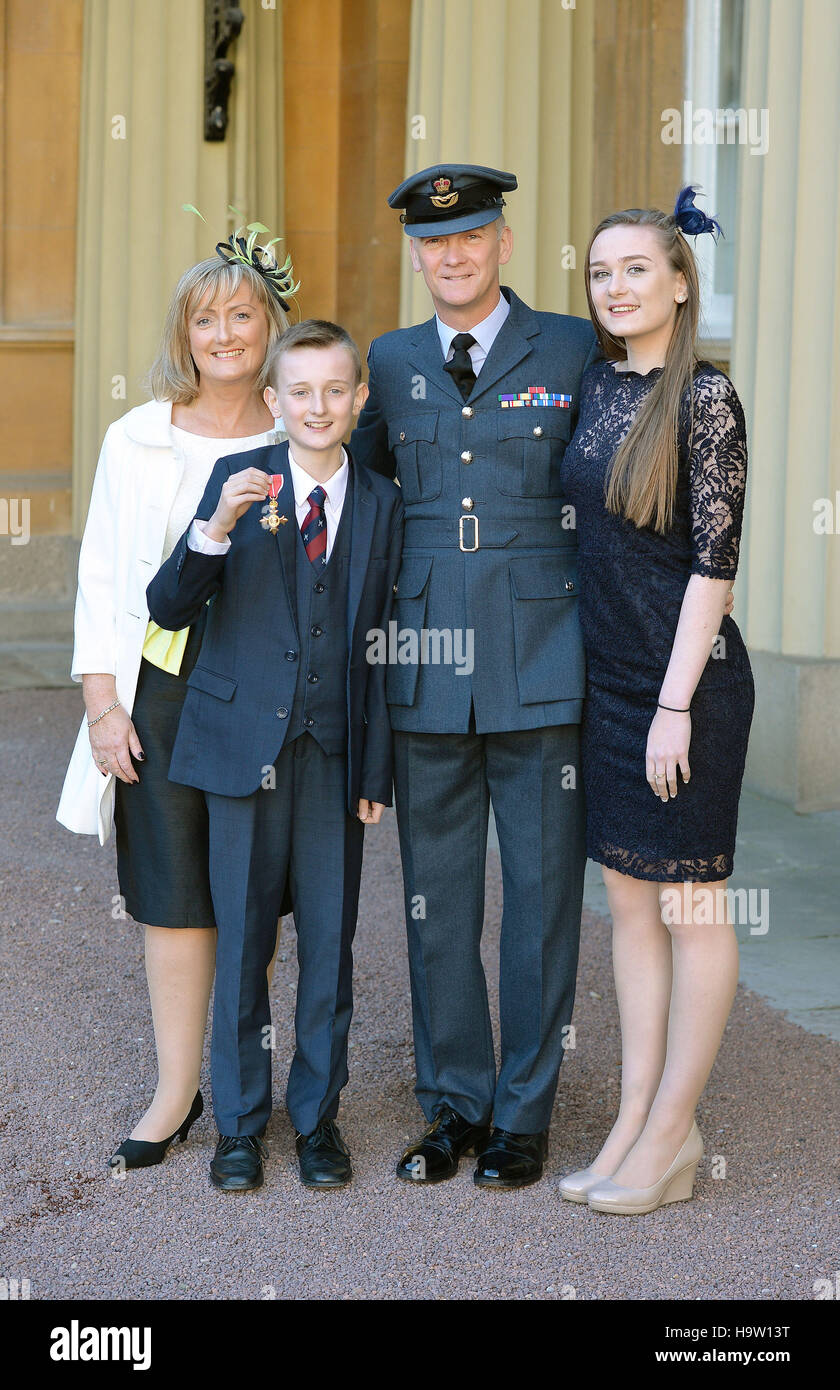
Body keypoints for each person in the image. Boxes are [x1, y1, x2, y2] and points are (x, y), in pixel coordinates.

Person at [351, 164, 597, 1188]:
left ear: (501, 243)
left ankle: (523, 1115)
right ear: (418, 256)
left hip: (542, 658)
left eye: (472, 236)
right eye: (434, 243)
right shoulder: (392, 359)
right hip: (425, 664)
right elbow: (362, 495)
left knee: (540, 894)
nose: (453, 255)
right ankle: (454, 1104)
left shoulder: (574, 347)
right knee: (436, 899)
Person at [146, 320, 404, 1191]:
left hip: (333, 757)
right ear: (274, 401)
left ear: (359, 397)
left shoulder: (380, 501)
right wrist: (215, 528)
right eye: (301, 391)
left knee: (330, 947)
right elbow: (170, 608)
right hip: (239, 751)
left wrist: (374, 768)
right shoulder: (234, 484)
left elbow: (380, 640)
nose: (319, 405)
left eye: (337, 390)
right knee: (246, 943)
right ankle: (238, 1126)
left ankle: (318, 1122)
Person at [56, 225, 292, 1167]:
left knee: (252, 895)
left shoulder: (300, 430)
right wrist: (103, 706)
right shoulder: (137, 435)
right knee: (169, 893)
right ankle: (173, 1090)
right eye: (207, 319)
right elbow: (102, 572)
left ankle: (242, 1086)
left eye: (243, 314)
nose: (226, 333)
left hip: (266, 691)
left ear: (271, 327)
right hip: (159, 686)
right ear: (185, 334)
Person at [558, 188, 754, 1214]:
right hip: (609, 682)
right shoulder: (595, 387)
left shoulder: (705, 399)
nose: (617, 286)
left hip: (686, 686)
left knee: (688, 903)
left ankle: (676, 1132)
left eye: (637, 268)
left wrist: (674, 703)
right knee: (629, 902)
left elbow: (714, 565)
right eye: (601, 272)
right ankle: (634, 1120)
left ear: (679, 283)